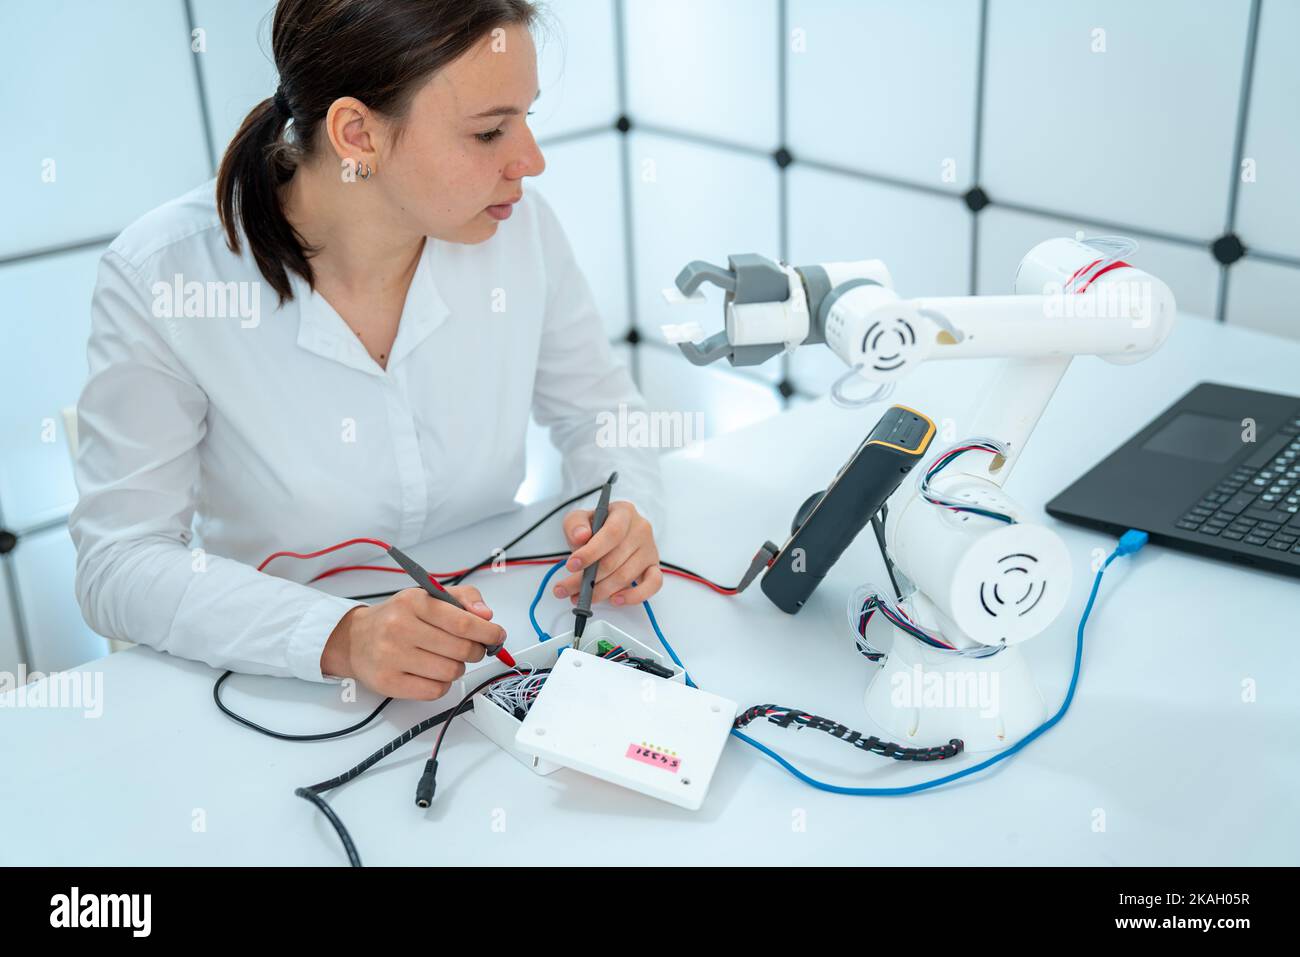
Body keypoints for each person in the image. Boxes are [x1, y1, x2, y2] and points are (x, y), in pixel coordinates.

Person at [69, 0, 665, 702]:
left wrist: (624, 511)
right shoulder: (166, 275)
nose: (529, 161)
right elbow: (119, 562)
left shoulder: (519, 229)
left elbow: (603, 414)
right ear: (357, 134)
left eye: (526, 118)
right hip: (282, 691)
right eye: (489, 131)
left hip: (497, 659)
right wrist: (339, 635)